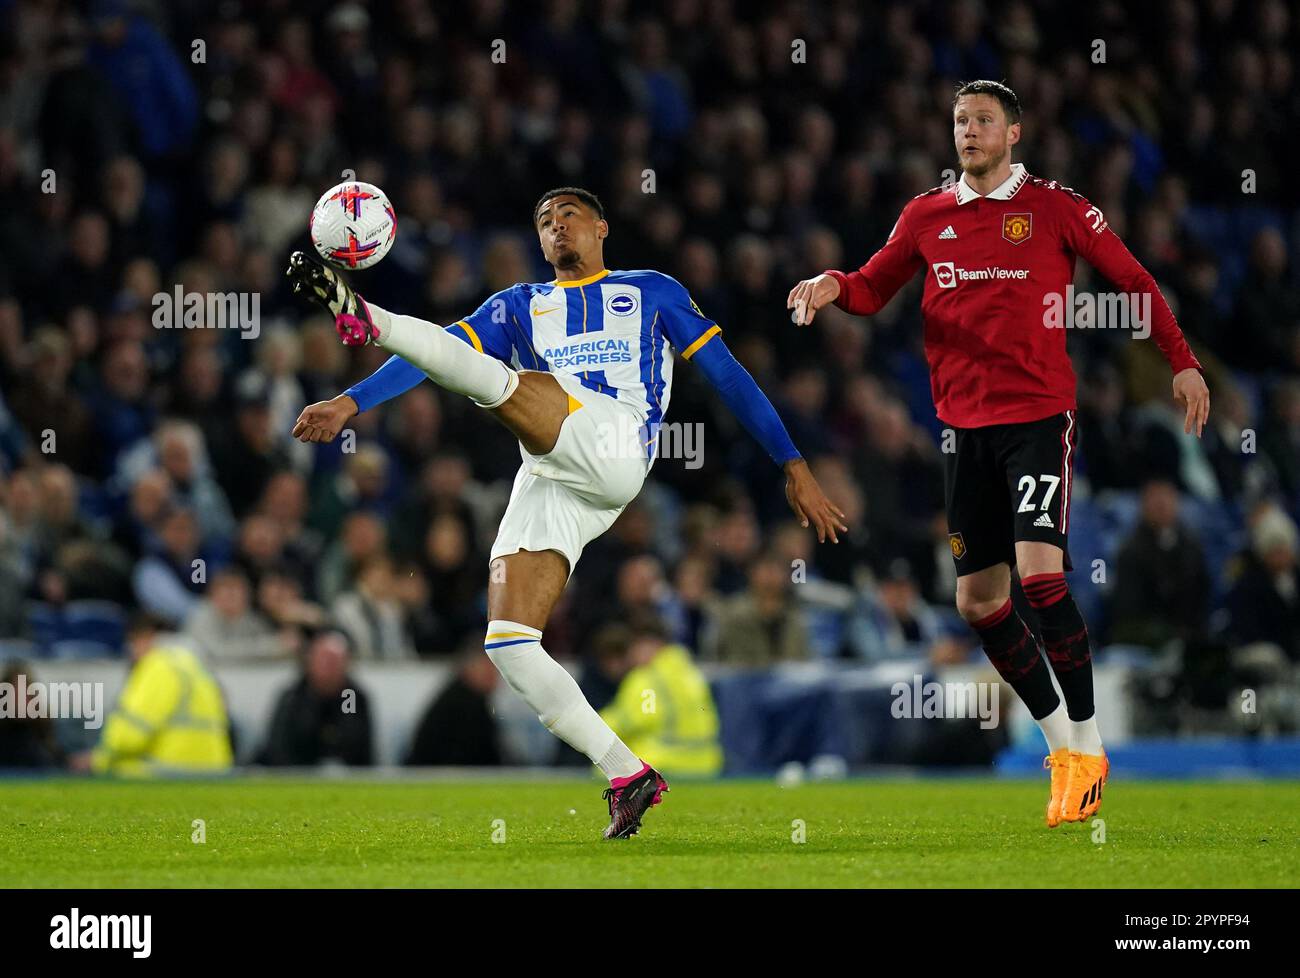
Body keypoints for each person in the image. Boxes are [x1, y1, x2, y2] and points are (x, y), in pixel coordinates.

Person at [286, 186, 846, 839]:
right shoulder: (519, 306)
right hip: (553, 472)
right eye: (545, 222)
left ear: (602, 227)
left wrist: (794, 464)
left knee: (505, 386)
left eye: (569, 216)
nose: (557, 229)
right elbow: (436, 357)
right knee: (509, 644)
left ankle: (365, 314)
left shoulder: (652, 290)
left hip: (615, 444)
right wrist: (351, 404)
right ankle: (627, 773)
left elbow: (727, 376)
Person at [786, 80, 1211, 828]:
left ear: (1014, 134)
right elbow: (872, 286)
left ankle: (1089, 744)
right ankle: (1059, 745)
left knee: (1040, 579)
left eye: (984, 120)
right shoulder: (927, 215)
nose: (969, 131)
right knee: (978, 601)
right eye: (960, 120)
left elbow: (1133, 280)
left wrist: (1181, 360)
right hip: (963, 431)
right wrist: (830, 285)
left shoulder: (1056, 207)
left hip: (1038, 419)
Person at [84, 613, 233, 777]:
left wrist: (98, 759)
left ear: (145, 637)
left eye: (132, 642)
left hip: (169, 770)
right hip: (215, 770)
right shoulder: (194, 664)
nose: (131, 651)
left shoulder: (157, 665)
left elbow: (131, 734)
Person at [259, 628, 374, 767]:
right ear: (310, 660)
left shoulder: (350, 697)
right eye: (323, 659)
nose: (329, 667)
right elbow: (279, 747)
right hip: (297, 774)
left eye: (334, 661)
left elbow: (356, 743)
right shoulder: (294, 696)